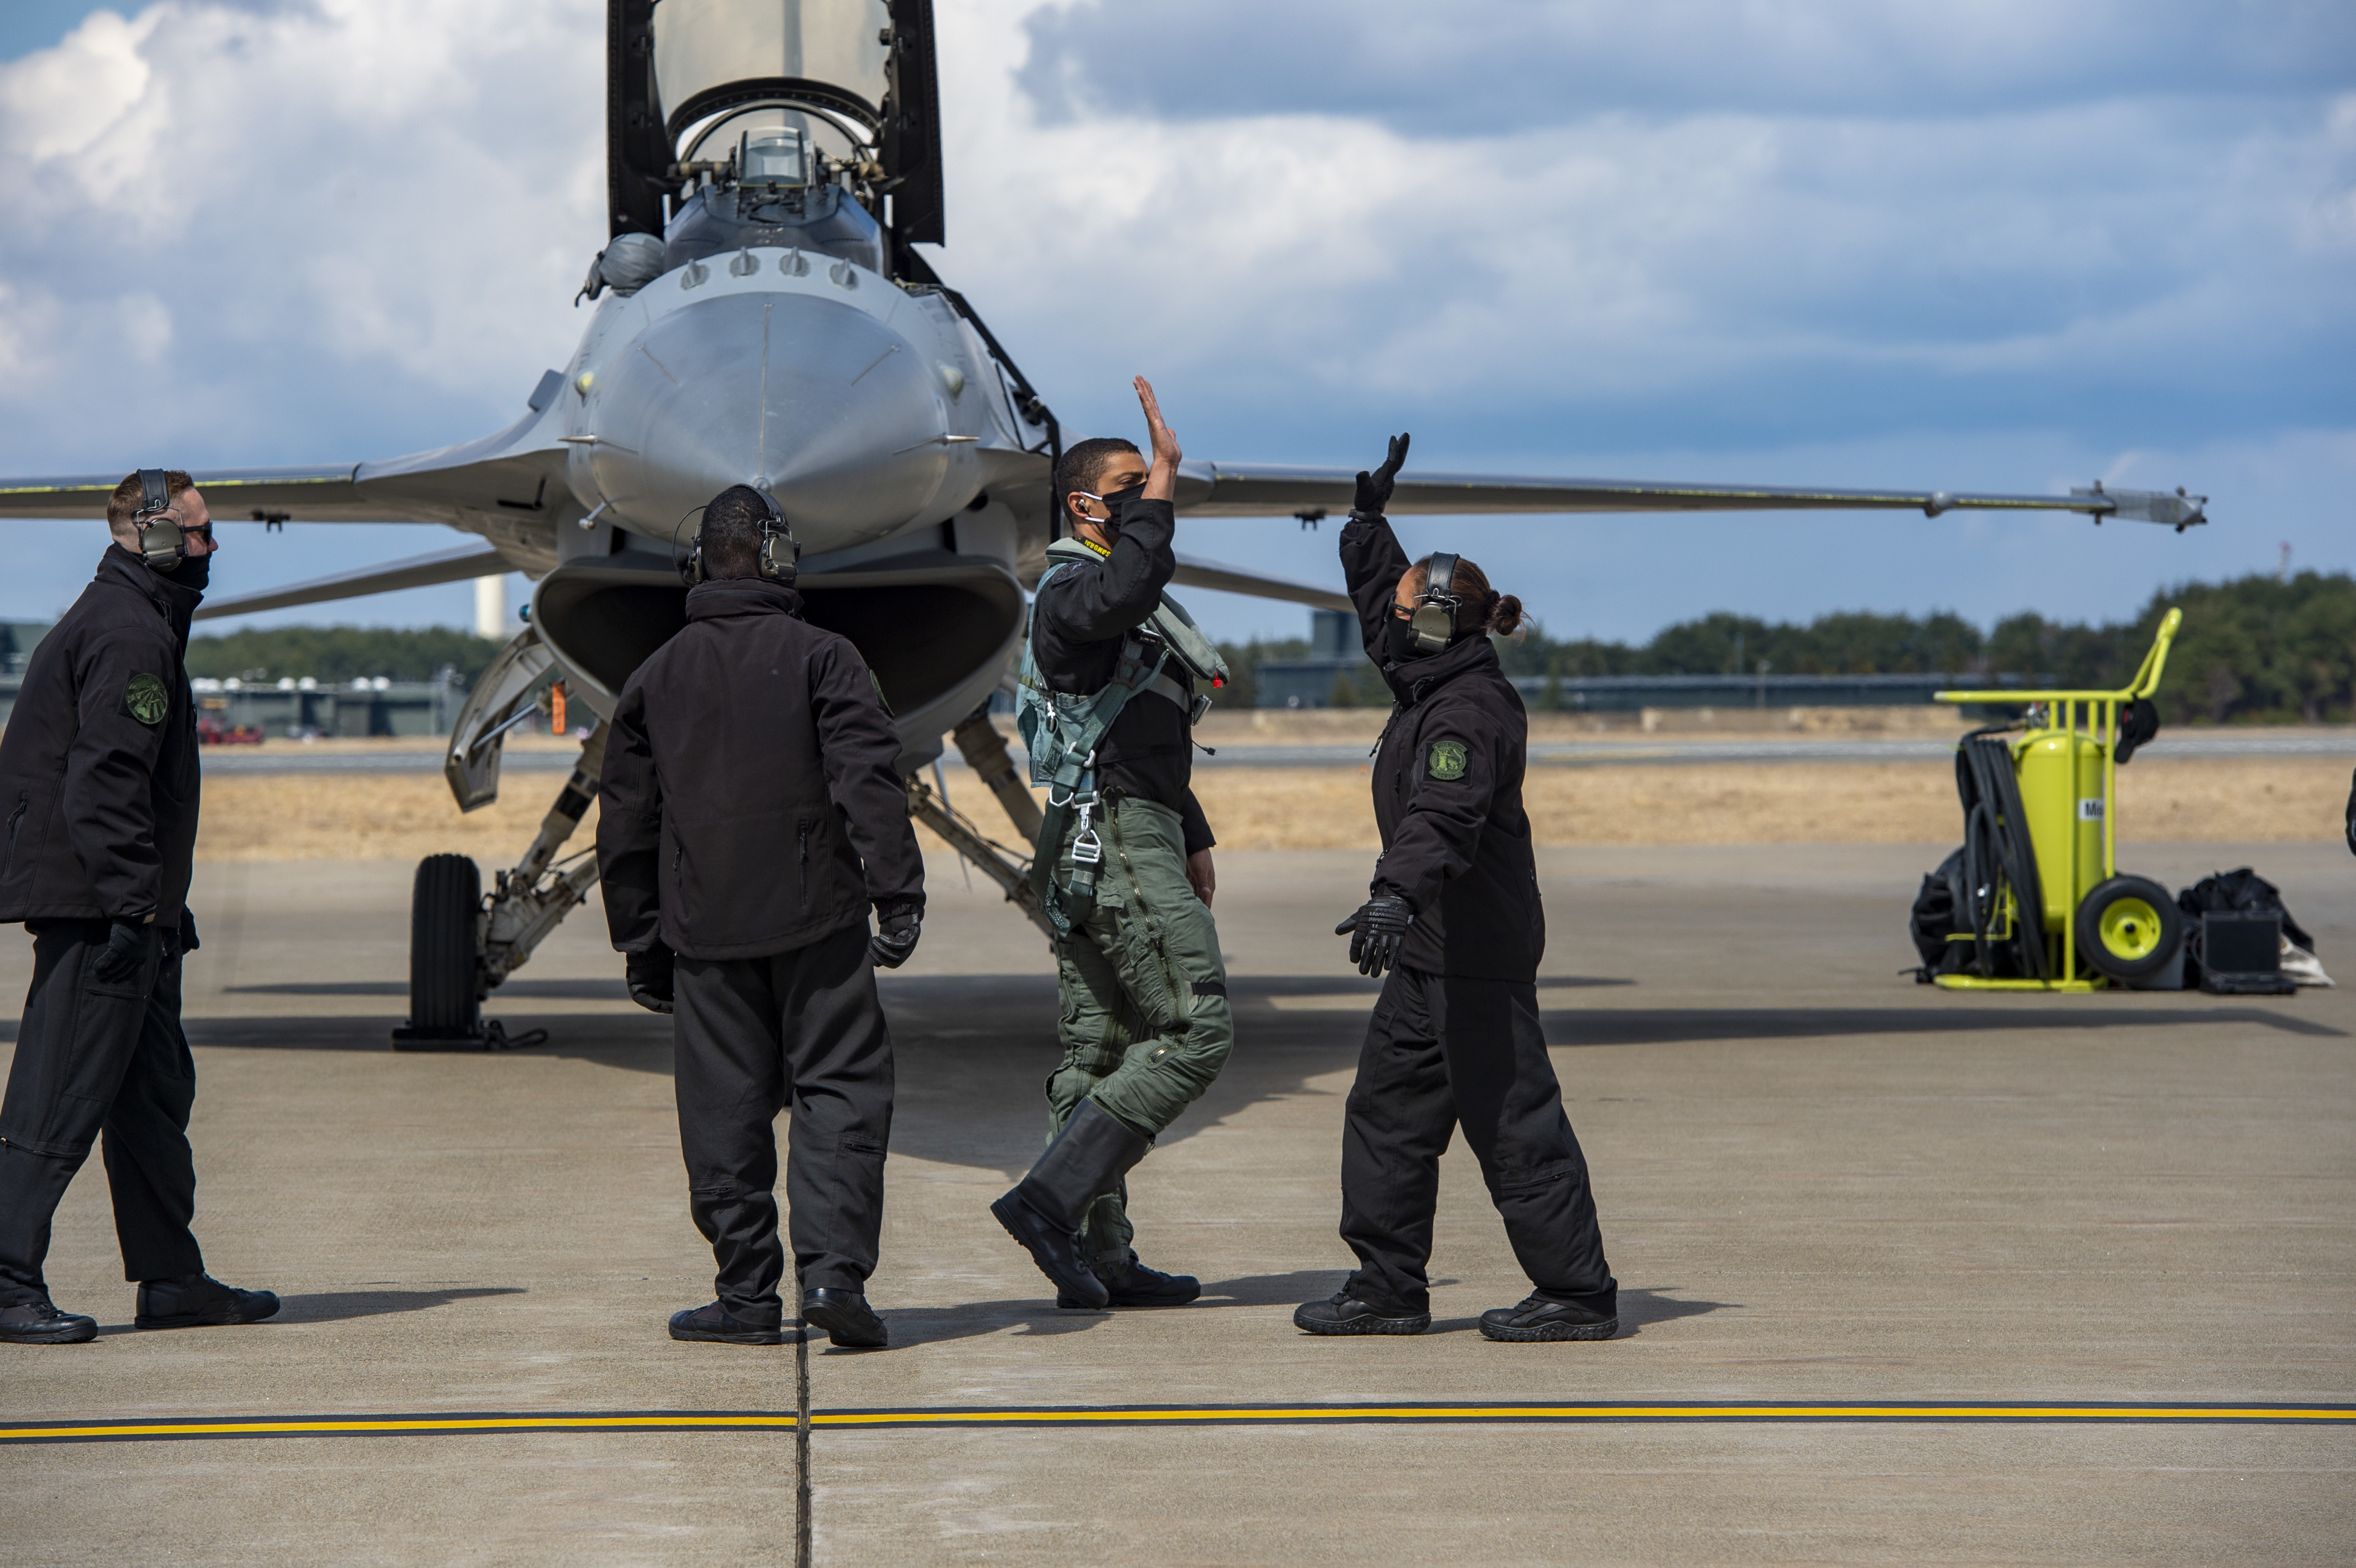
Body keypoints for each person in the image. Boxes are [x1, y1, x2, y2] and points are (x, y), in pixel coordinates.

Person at [1294, 433, 1620, 1344]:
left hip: (1469, 946)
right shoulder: (1429, 670)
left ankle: (1577, 1293)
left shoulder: (1465, 713)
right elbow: (1380, 608)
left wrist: (1394, 893)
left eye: (1408, 610)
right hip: (1429, 948)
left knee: (1514, 1122)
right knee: (1389, 1116)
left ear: (1436, 624)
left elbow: (1445, 814)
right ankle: (1387, 1287)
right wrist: (1367, 530)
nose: (1389, 622)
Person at [596, 483, 924, 1351]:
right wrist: (898, 891)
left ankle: (745, 1298)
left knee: (721, 1112)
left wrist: (640, 942)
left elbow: (625, 820)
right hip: (819, 926)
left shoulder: (652, 676)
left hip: (704, 931)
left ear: (698, 561)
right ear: (781, 558)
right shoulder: (828, 657)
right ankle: (833, 1278)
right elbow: (869, 780)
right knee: (841, 1093)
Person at [0, 469, 279, 1346]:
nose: (210, 549)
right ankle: (7, 1282)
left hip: (134, 911)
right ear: (154, 540)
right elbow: (105, 786)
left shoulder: (136, 622)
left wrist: (162, 912)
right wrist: (130, 908)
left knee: (153, 1097)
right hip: (99, 912)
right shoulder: (128, 637)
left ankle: (172, 1280)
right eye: (197, 535)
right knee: (56, 1100)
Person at [990, 378, 1232, 1312]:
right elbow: (1134, 580)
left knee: (1097, 1056)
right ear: (1088, 507)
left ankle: (1100, 1260)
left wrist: (1194, 835)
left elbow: (1141, 728)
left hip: (1116, 836)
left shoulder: (1107, 604)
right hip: (1118, 841)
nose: (1145, 501)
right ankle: (1049, 1206)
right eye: (1128, 488)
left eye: (1149, 486)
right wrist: (1165, 481)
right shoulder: (1076, 596)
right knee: (1194, 1031)